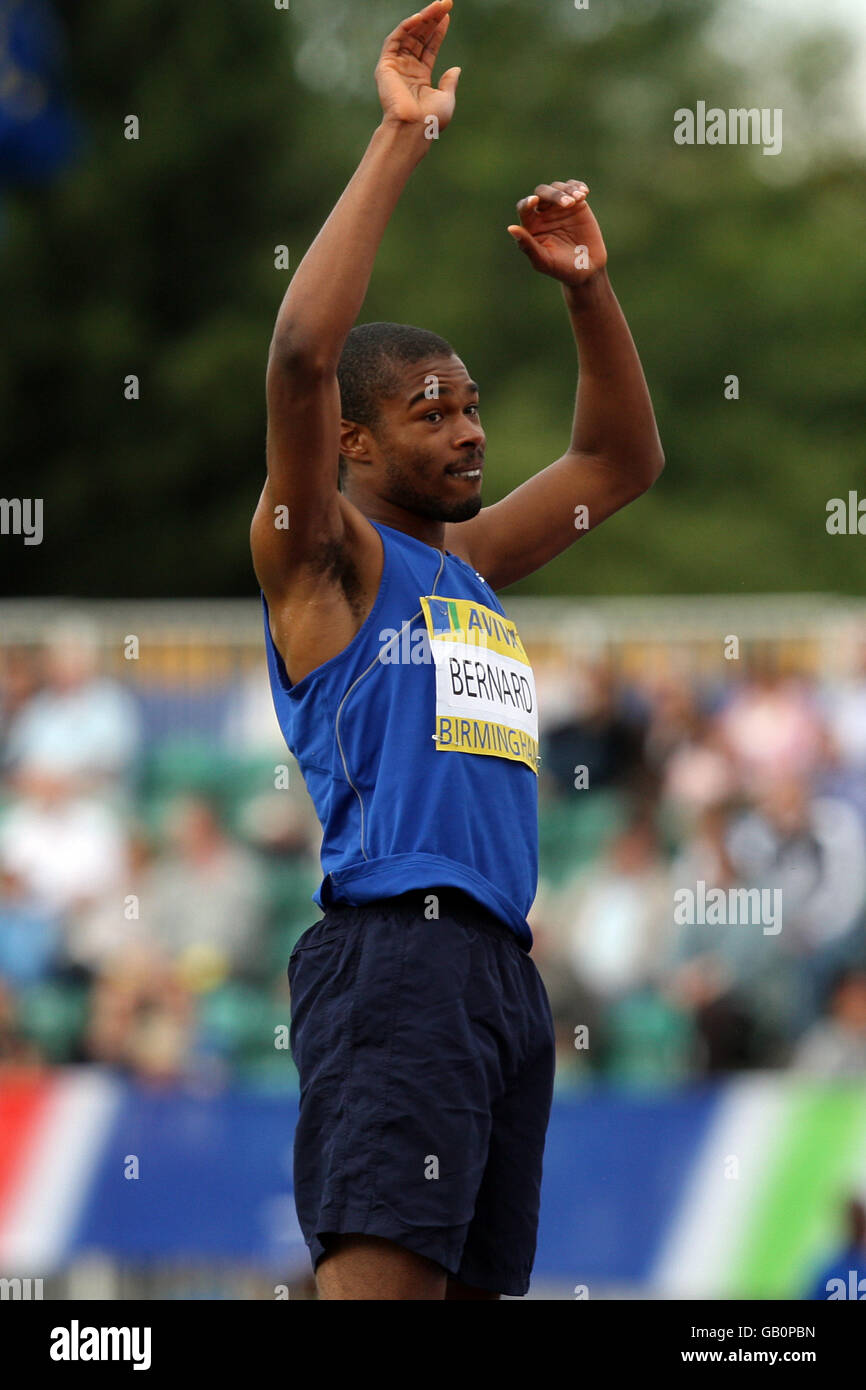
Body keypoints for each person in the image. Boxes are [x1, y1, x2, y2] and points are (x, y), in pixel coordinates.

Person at [250, 0, 663, 1300]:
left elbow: (617, 461)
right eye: (433, 411)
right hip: (399, 955)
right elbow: (305, 352)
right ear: (354, 444)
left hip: (497, 972)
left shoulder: (469, 562)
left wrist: (589, 290)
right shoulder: (325, 559)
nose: (471, 432)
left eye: (477, 407)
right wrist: (400, 137)